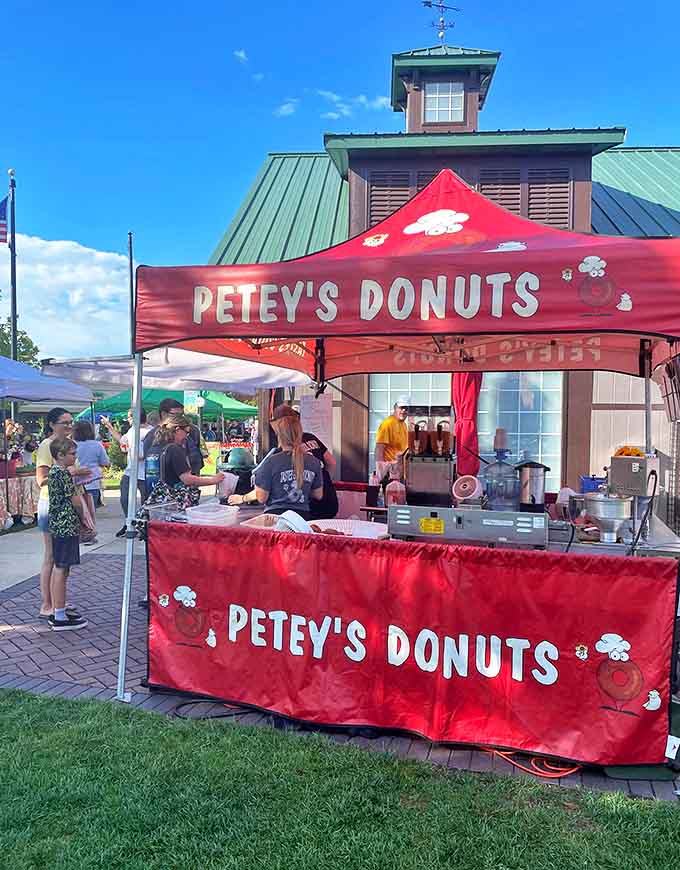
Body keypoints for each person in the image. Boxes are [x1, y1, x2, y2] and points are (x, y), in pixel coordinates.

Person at [35, 408, 89, 621]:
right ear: (51, 424)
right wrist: (71, 473)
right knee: (52, 558)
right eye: (63, 422)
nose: (68, 426)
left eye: (70, 421)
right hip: (53, 507)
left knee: (60, 561)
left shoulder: (67, 445)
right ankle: (48, 604)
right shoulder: (47, 445)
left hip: (65, 506)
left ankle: (58, 601)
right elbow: (42, 480)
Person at [46, 437, 91, 631]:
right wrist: (84, 518)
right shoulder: (62, 473)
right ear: (60, 455)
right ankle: (59, 615)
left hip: (60, 524)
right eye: (72, 454)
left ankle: (60, 608)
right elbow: (75, 500)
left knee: (62, 568)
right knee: (61, 568)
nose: (75, 457)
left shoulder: (56, 472)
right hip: (65, 525)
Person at [251, 414, 323, 519]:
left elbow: (262, 498)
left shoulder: (271, 462)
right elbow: (318, 495)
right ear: (300, 434)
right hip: (302, 518)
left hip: (274, 517)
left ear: (279, 436)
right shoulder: (314, 462)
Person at [102, 409, 152, 538]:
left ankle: (145, 526)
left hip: (145, 472)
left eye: (129, 417)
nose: (128, 420)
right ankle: (129, 522)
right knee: (124, 498)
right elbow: (121, 440)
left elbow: (142, 454)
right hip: (130, 471)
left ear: (135, 417)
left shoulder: (150, 432)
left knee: (146, 501)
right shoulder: (131, 431)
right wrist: (109, 426)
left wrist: (132, 450)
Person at [149, 413, 224, 497]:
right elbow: (187, 479)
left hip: (153, 499)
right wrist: (213, 480)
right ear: (177, 429)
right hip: (170, 502)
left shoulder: (153, 448)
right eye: (186, 432)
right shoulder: (173, 449)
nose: (186, 437)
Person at [142, 398, 206, 477]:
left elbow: (197, 457)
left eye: (181, 415)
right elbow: (150, 463)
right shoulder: (152, 435)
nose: (180, 418)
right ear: (163, 414)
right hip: (166, 483)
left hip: (191, 480)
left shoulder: (193, 430)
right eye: (176, 415)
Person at [73, 420, 110, 514]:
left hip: (75, 482)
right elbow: (105, 462)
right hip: (92, 481)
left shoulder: (72, 445)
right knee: (90, 513)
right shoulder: (97, 445)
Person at [374, 395, 410, 464]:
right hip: (389, 468)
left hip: (399, 467)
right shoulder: (387, 424)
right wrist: (380, 471)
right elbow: (379, 448)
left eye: (406, 408)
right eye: (401, 407)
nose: (403, 410)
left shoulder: (404, 425)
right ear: (395, 408)